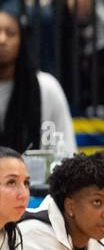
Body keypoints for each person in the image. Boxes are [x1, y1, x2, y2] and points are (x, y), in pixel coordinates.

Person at [0, 10, 75, 158]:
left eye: (10, 33)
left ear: (22, 41)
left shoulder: (47, 87)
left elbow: (65, 149)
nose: (2, 40)